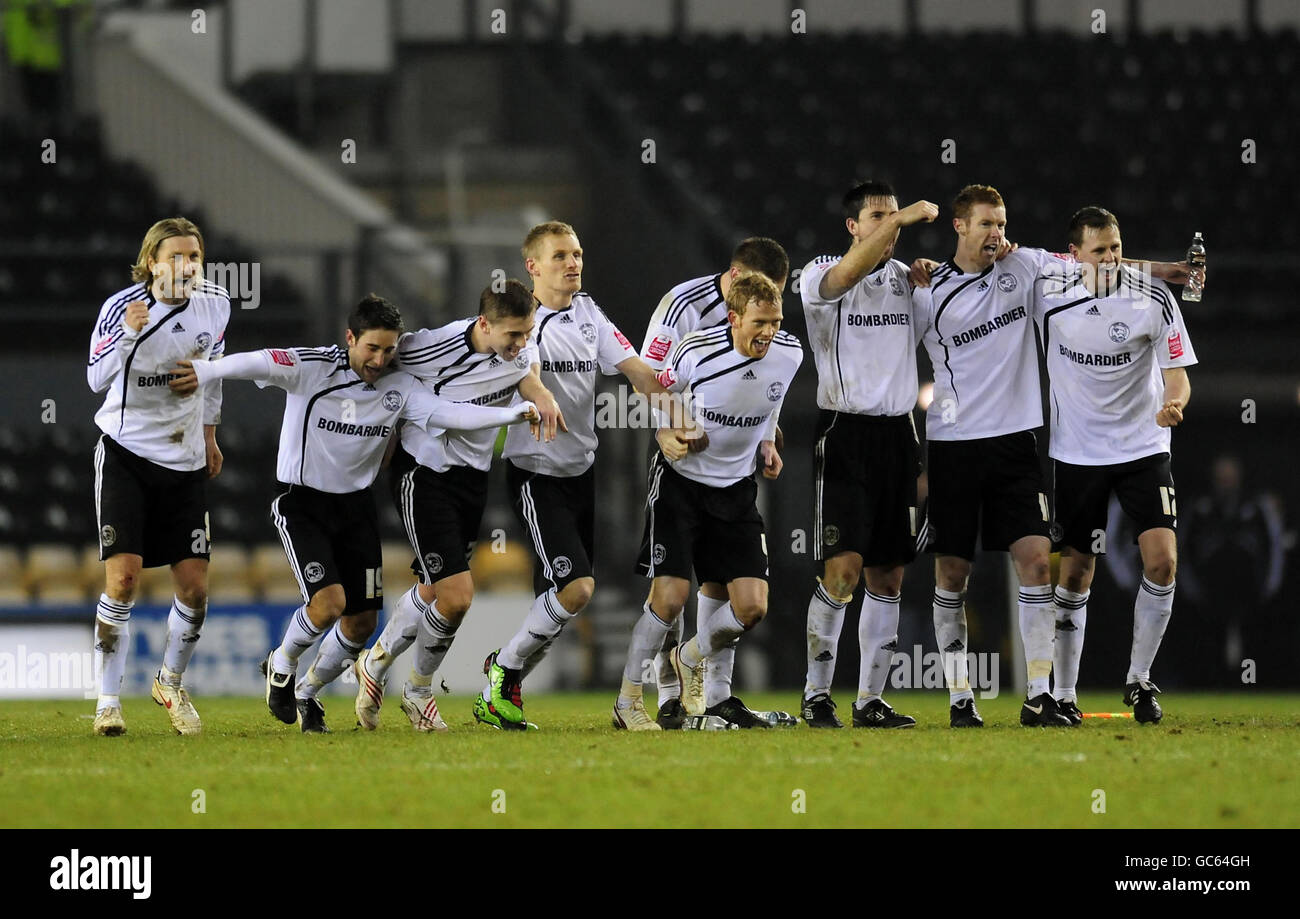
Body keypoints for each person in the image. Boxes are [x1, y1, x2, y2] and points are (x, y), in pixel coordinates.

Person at [171, 295, 538, 732]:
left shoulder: (399, 388)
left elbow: (448, 413)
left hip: (357, 507)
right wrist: (206, 370)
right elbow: (254, 362)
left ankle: (308, 693)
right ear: (350, 338)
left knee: (362, 622)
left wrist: (513, 413)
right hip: (302, 501)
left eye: (388, 350)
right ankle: (282, 665)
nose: (380, 360)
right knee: (329, 604)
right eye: (371, 348)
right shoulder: (311, 367)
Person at [473, 220, 673, 731]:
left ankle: (507, 682)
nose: (573, 263)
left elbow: (635, 371)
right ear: (532, 266)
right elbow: (524, 372)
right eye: (560, 255)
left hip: (582, 471)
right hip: (536, 475)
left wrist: (675, 419)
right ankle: (503, 671)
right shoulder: (521, 325)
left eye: (578, 253)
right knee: (577, 589)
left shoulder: (589, 314)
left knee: (569, 596)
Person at [351, 279, 564, 733]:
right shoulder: (429, 347)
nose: (522, 343)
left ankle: (374, 663)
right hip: (424, 475)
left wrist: (539, 390)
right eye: (513, 335)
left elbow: (528, 365)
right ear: (483, 324)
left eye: (528, 333)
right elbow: (375, 359)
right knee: (457, 595)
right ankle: (418, 691)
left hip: (473, 480)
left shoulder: (522, 345)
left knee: (434, 591)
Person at [614, 272, 804, 730]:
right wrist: (666, 433)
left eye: (776, 322)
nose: (769, 332)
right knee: (671, 596)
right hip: (681, 485)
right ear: (735, 318)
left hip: (736, 490)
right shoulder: (695, 350)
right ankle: (627, 702)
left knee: (752, 606)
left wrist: (767, 442)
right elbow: (655, 395)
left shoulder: (790, 352)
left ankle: (688, 657)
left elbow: (770, 397)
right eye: (760, 322)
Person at [1034, 206, 1197, 723]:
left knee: (1163, 561)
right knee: (1077, 572)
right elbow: (1001, 261)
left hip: (1144, 444)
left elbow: (1178, 373)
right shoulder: (1048, 292)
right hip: (1077, 450)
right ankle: (1064, 694)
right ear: (1075, 254)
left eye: (1117, 247)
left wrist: (1175, 403)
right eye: (1099, 249)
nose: (1111, 258)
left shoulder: (1155, 299)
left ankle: (1140, 680)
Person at [798, 181, 939, 729]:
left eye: (892, 216)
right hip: (845, 433)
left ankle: (870, 701)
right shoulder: (820, 273)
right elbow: (847, 275)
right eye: (876, 217)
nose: (890, 226)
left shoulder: (911, 282)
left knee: (888, 577)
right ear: (853, 226)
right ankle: (815, 696)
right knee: (842, 571)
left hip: (899, 436)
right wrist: (902, 217)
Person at [87, 216, 227, 737]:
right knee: (122, 581)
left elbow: (211, 376)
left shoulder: (216, 305)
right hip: (126, 455)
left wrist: (210, 435)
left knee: (195, 589)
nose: (187, 266)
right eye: (177, 257)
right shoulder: (122, 309)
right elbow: (94, 378)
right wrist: (128, 335)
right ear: (152, 262)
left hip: (185, 460)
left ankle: (170, 681)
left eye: (194, 256)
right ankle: (106, 701)